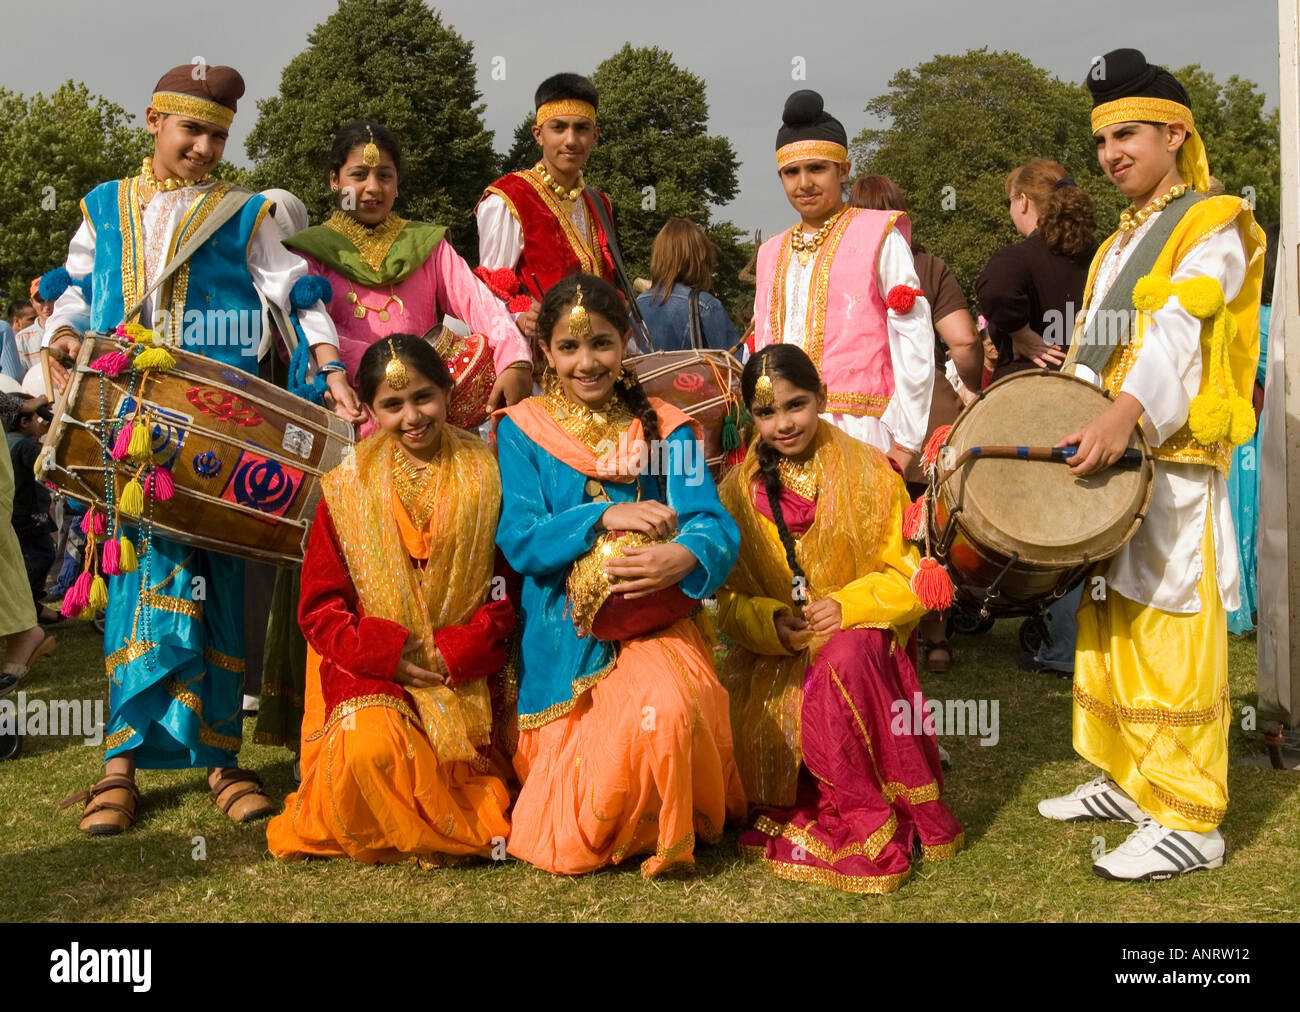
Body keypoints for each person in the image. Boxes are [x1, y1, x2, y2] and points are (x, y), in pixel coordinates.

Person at [44, 64, 361, 836]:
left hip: (217, 429)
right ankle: (118, 768)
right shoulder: (102, 207)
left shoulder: (245, 211)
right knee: (132, 587)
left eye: (219, 135)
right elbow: (78, 287)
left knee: (219, 586)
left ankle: (221, 759)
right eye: (193, 130)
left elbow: (295, 292)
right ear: (154, 120)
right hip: (128, 429)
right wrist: (58, 333)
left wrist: (330, 371)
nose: (207, 147)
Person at [1039, 49, 1265, 881]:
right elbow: (1097, 350)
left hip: (1169, 455)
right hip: (1115, 451)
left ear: (1176, 132)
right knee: (1117, 613)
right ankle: (1135, 779)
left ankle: (1191, 815)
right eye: (1101, 141)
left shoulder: (1215, 221)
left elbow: (1181, 330)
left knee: (1171, 620)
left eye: (1126, 134)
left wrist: (1125, 411)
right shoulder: (1117, 241)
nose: (1110, 156)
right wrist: (1064, 408)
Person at [496, 273, 745, 876]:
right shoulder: (522, 427)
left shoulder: (667, 424)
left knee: (670, 706)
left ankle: (669, 827)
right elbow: (521, 540)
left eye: (602, 343)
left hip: (655, 616)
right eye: (569, 348)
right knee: (600, 786)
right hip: (565, 632)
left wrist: (682, 557)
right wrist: (604, 512)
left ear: (627, 340)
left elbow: (711, 521)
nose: (587, 362)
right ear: (546, 353)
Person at [716, 345, 963, 892]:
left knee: (843, 653)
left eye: (796, 405)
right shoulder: (735, 493)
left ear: (823, 397)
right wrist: (770, 620)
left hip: (858, 654)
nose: (782, 424)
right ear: (749, 417)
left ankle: (863, 810)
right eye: (766, 413)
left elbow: (912, 581)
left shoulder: (871, 473)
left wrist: (848, 607)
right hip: (774, 663)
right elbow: (727, 603)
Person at [266, 335, 514, 863]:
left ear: (448, 393)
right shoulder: (347, 487)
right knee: (369, 749)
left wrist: (456, 650)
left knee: (480, 796)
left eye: (423, 397)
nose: (412, 417)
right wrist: (388, 657)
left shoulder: (489, 473)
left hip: (464, 668)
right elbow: (321, 608)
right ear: (370, 409)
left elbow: (507, 589)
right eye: (392, 405)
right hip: (374, 665)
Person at [282, 121, 533, 420]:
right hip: (352, 409)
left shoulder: (425, 245)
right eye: (359, 175)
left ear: (397, 183)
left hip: (426, 408)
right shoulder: (310, 252)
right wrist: (390, 369)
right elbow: (298, 336)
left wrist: (515, 359)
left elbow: (481, 306)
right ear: (335, 180)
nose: (373, 187)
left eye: (385, 176)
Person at [752, 90, 934, 479]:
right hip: (783, 437)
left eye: (817, 168)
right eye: (791, 172)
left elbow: (913, 338)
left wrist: (905, 443)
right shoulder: (770, 252)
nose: (804, 184)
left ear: (844, 169)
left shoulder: (877, 235)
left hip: (862, 430)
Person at [848, 173, 982, 674]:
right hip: (932, 415)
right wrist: (973, 388)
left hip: (862, 415)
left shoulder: (840, 263)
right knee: (928, 529)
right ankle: (937, 637)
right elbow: (964, 342)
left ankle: (870, 628)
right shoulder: (928, 265)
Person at [476, 73, 617, 340]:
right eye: (559, 127)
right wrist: (520, 315)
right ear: (538, 134)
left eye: (582, 128)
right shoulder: (509, 198)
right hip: (536, 359)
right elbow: (491, 294)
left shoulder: (599, 203)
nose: (571, 140)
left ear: (595, 136)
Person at [976, 159, 1097, 382]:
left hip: (1028, 388)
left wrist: (1020, 333)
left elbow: (995, 290)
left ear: (1022, 201)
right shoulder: (1099, 255)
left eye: (1008, 202)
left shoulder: (1016, 259)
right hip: (1090, 388)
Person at [1225, 220, 1277, 634]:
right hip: (1258, 434)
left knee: (1246, 517)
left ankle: (1245, 601)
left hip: (1247, 434)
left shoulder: (1248, 320)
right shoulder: (1271, 321)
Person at [635, 218, 741, 353]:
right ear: (700, 259)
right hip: (691, 374)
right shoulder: (705, 306)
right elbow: (735, 365)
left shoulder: (637, 306)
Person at [6, 396, 59, 622]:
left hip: (13, 510)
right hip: (27, 510)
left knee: (27, 555)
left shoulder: (7, 440)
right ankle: (26, 601)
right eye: (38, 418)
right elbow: (47, 467)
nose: (41, 423)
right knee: (43, 553)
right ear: (24, 423)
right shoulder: (26, 445)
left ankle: (29, 603)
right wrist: (52, 436)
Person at [15, 279, 53, 374]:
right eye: (41, 300)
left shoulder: (72, 330)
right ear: (32, 302)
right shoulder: (21, 338)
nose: (47, 305)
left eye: (51, 298)